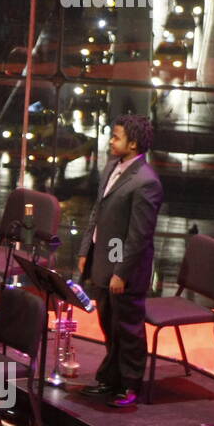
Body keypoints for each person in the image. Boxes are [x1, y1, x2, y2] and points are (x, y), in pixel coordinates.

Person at [76, 115, 163, 408]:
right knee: (108, 324)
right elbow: (96, 213)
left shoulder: (146, 182)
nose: (111, 141)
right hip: (102, 259)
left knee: (127, 328)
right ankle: (110, 379)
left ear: (133, 143)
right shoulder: (112, 166)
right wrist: (84, 250)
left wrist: (121, 273)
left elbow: (139, 236)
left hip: (125, 270)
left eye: (116, 137)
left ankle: (130, 385)